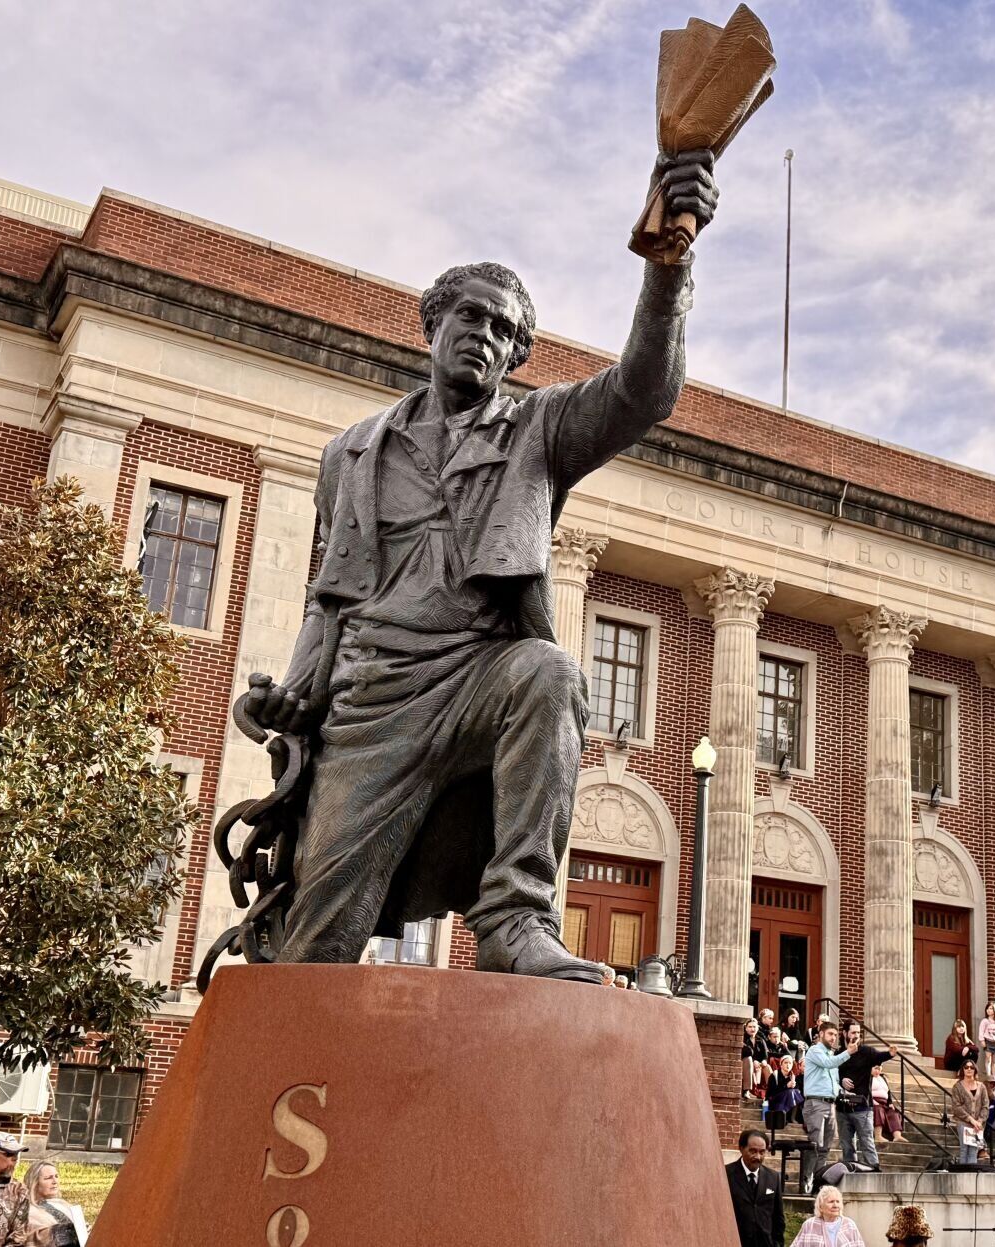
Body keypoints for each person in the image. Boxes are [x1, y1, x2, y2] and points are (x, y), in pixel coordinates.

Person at [235, 149, 721, 978]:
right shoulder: (349, 455)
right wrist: (294, 694)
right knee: (313, 952)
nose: (488, 338)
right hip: (369, 701)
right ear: (434, 323)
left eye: (506, 331)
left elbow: (644, 390)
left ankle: (515, 918)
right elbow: (329, 599)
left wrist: (670, 266)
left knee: (550, 674)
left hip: (478, 678)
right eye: (474, 317)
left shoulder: (536, 430)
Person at [802, 1020, 856, 1193]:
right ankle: (806, 1183)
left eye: (835, 1034)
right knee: (814, 1145)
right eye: (830, 1034)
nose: (833, 1038)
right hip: (815, 1103)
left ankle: (818, 1183)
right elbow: (827, 1064)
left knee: (825, 1148)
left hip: (830, 1104)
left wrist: (844, 1092)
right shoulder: (815, 1050)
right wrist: (848, 1052)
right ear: (821, 1034)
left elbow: (832, 1082)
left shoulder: (831, 1056)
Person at [835, 1021, 893, 1169]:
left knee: (867, 1142)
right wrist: (841, 1081)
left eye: (858, 1033)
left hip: (862, 1108)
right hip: (842, 1108)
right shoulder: (838, 1054)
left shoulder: (866, 1052)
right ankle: (850, 1171)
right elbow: (832, 1074)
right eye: (853, 1032)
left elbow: (880, 1056)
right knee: (847, 1146)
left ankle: (874, 1170)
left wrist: (890, 1053)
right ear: (845, 1034)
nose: (856, 1036)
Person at [728, 1129, 785, 1247]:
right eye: (752, 1151)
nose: (758, 1157)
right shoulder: (726, 1175)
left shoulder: (773, 1177)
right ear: (741, 1148)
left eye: (762, 1152)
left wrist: (777, 1244)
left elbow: (778, 1217)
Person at [24, 1161, 90, 1247]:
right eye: (48, 1178)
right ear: (34, 1183)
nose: (55, 1181)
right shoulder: (29, 1211)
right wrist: (70, 1232)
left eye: (56, 1176)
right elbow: (36, 1239)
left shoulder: (63, 1204)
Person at [789, 1185, 867, 1247]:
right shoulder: (810, 1225)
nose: (835, 1205)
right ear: (820, 1206)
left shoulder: (849, 1225)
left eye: (838, 1201)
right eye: (831, 1202)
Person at [948, 1061, 991, 1165]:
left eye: (971, 1067)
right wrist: (971, 1120)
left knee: (974, 1150)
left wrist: (979, 1121)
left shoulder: (982, 1087)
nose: (969, 1069)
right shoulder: (957, 1087)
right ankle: (963, 1174)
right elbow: (956, 1107)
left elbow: (985, 1106)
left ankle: (971, 1175)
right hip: (963, 1122)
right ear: (963, 1069)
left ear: (975, 1070)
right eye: (966, 1067)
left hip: (978, 1124)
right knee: (964, 1150)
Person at [766, 1053, 804, 1133]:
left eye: (790, 1063)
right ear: (781, 1064)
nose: (788, 1065)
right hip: (775, 1099)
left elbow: (797, 1093)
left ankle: (791, 1117)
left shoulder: (793, 1076)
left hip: (788, 1101)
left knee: (794, 1092)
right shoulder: (774, 1075)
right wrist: (786, 1086)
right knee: (790, 1092)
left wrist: (794, 1086)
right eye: (785, 1063)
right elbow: (771, 1092)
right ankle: (785, 1118)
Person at [870, 1064, 907, 1144]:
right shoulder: (867, 1078)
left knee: (893, 1112)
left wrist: (890, 1102)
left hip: (885, 1102)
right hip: (873, 1102)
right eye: (875, 1069)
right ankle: (878, 1136)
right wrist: (872, 1101)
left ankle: (897, 1136)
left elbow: (888, 1092)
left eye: (879, 1069)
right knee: (878, 1109)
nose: (877, 1071)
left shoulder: (882, 1078)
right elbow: (866, 1091)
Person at [742, 1019, 769, 1099]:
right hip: (746, 1062)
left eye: (754, 1027)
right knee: (749, 1060)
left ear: (757, 1028)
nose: (752, 1029)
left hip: (759, 1065)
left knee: (767, 1067)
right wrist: (754, 1062)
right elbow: (747, 1053)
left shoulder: (760, 1040)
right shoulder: (743, 1038)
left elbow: (765, 1055)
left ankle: (770, 1092)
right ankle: (747, 1090)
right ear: (746, 1028)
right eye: (750, 1027)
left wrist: (763, 1061)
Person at [978, 1002, 995, 1078]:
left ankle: (993, 1075)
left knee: (994, 1060)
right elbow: (981, 1031)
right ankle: (988, 1074)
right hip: (988, 1042)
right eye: (988, 1008)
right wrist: (982, 1040)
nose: (989, 1010)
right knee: (988, 1058)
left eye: (991, 1008)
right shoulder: (985, 1021)